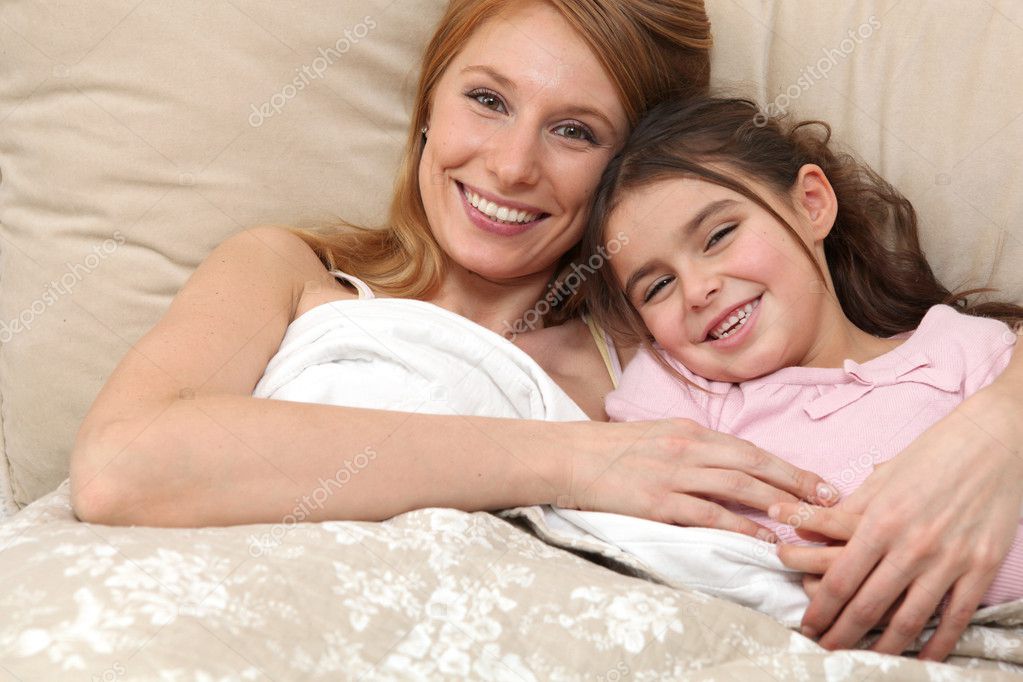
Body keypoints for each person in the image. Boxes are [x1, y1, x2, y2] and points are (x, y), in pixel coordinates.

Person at [67, 0, 1023, 662]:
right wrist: (567, 463)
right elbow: (124, 467)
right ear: (427, 109)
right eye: (486, 100)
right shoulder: (292, 271)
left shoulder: (664, 348)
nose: (514, 164)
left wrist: (995, 429)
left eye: (576, 132)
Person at [580, 95, 1023, 656]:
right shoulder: (682, 388)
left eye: (718, 236)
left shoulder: (956, 349)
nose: (697, 290)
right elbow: (614, 503)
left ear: (811, 204)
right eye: (657, 287)